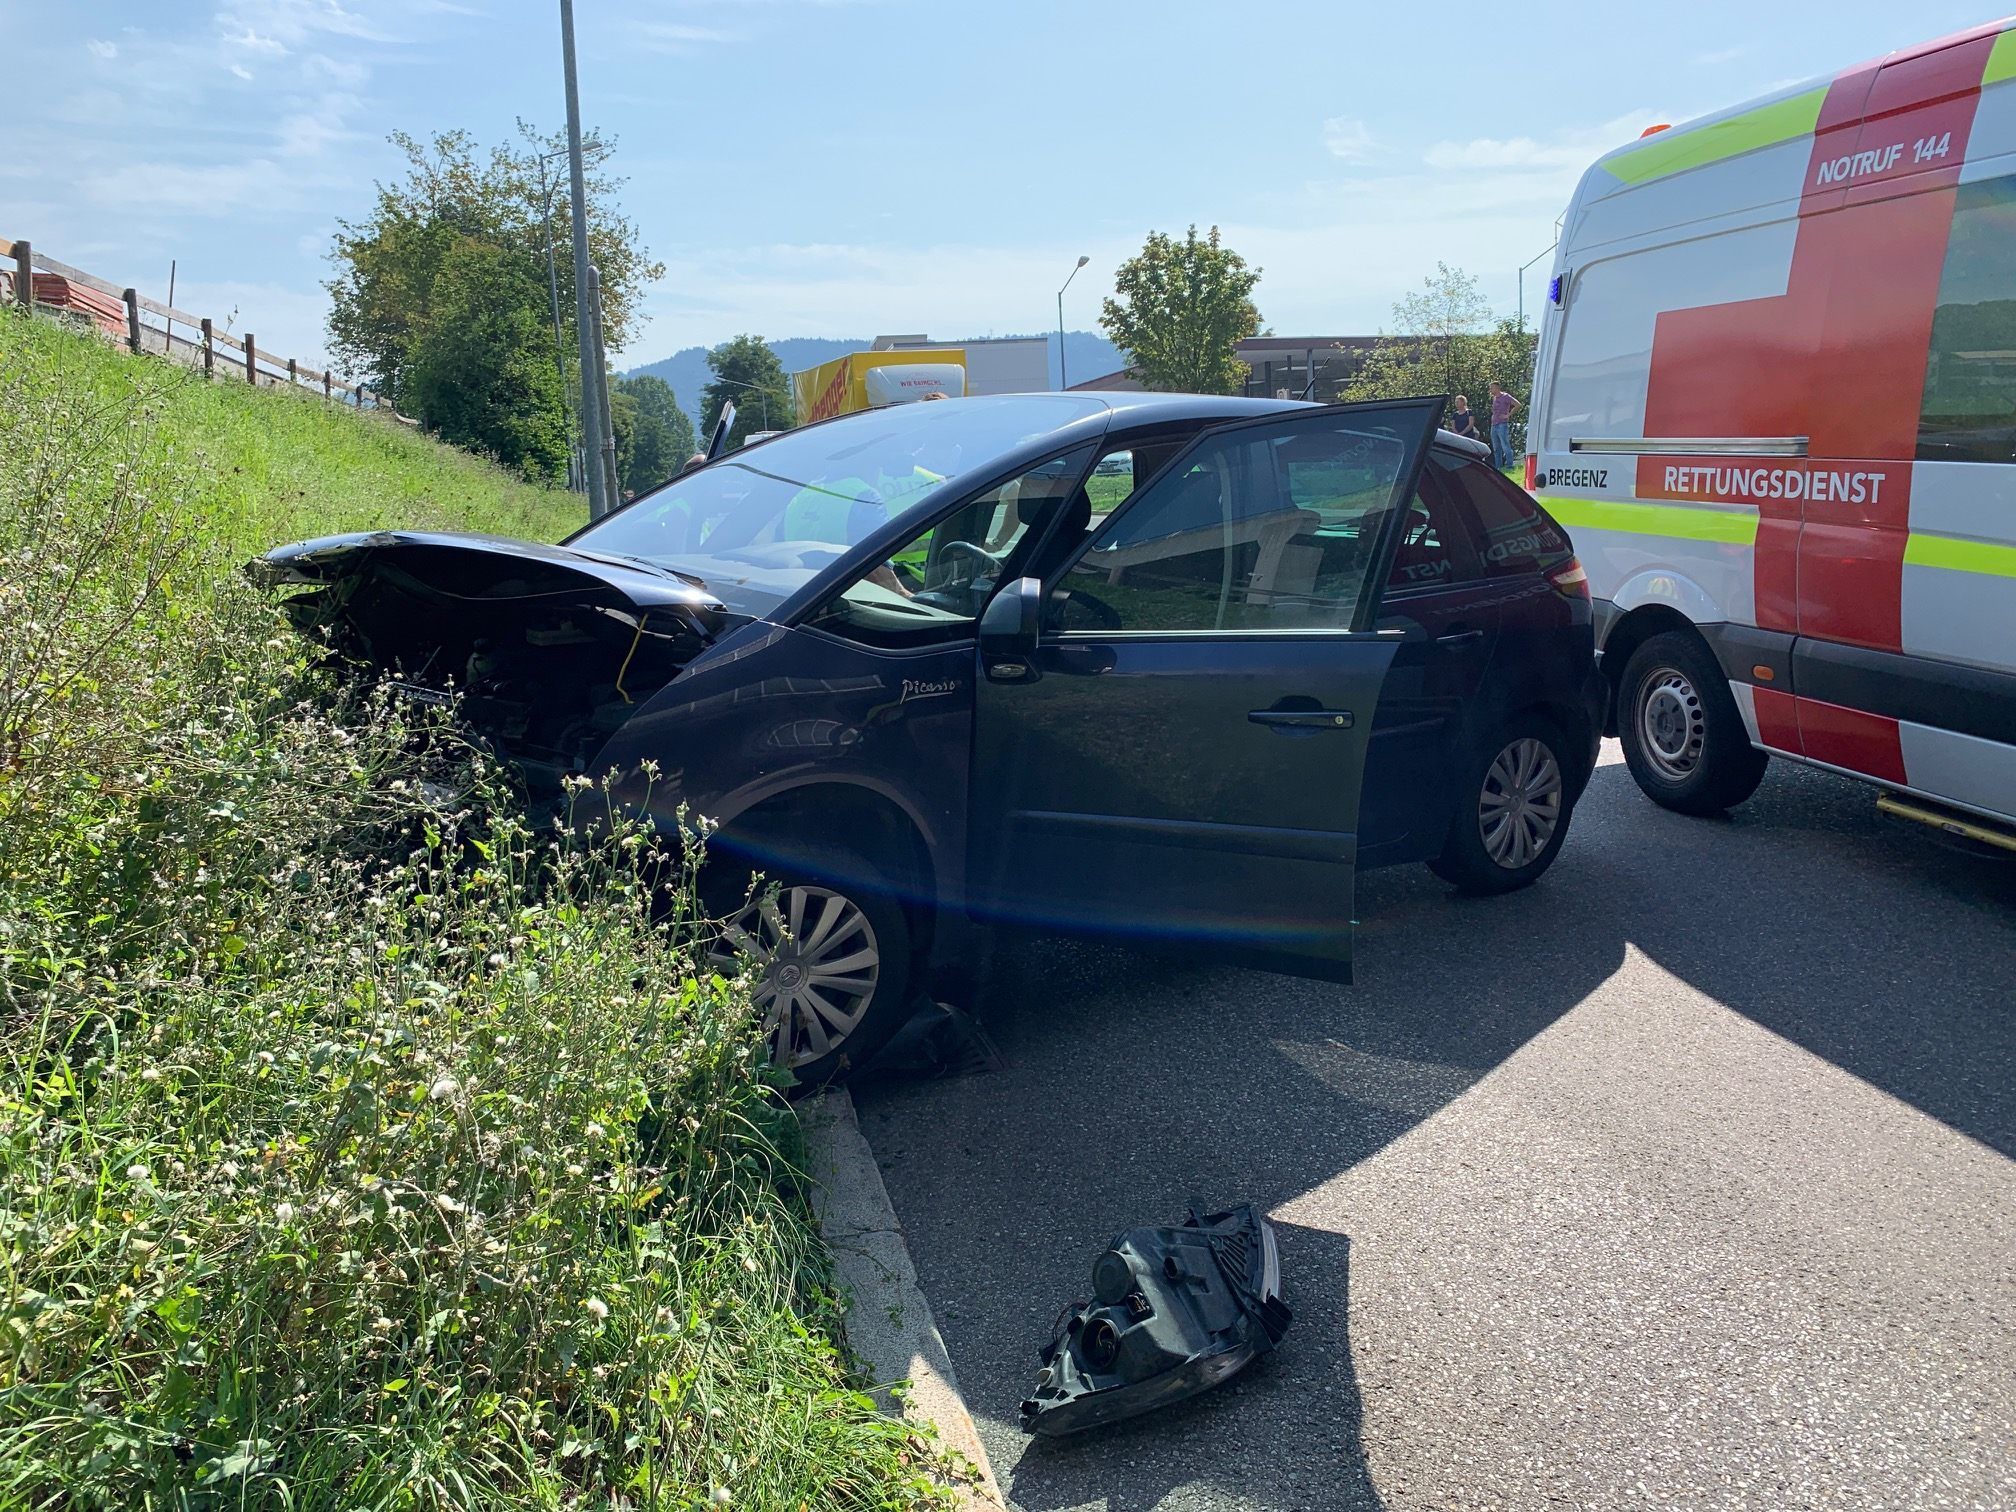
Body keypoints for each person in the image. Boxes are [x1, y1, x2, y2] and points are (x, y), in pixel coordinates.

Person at [1487, 381, 1521, 470]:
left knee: (1505, 445)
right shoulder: (1494, 398)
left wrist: (1508, 415)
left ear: (1497, 388)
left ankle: (1510, 465)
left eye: (1492, 388)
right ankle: (1498, 467)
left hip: (1502, 424)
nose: (1490, 390)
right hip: (1494, 424)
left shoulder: (1505, 396)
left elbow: (1518, 405)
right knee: (1496, 447)